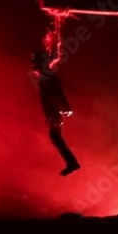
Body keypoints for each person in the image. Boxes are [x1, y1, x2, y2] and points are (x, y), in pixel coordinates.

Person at [30, 28, 80, 176]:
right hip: (53, 113)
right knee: (55, 138)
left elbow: (56, 93)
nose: (32, 64)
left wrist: (64, 108)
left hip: (53, 114)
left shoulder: (47, 77)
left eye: (34, 61)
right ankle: (71, 162)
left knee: (55, 138)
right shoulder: (46, 76)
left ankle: (72, 162)